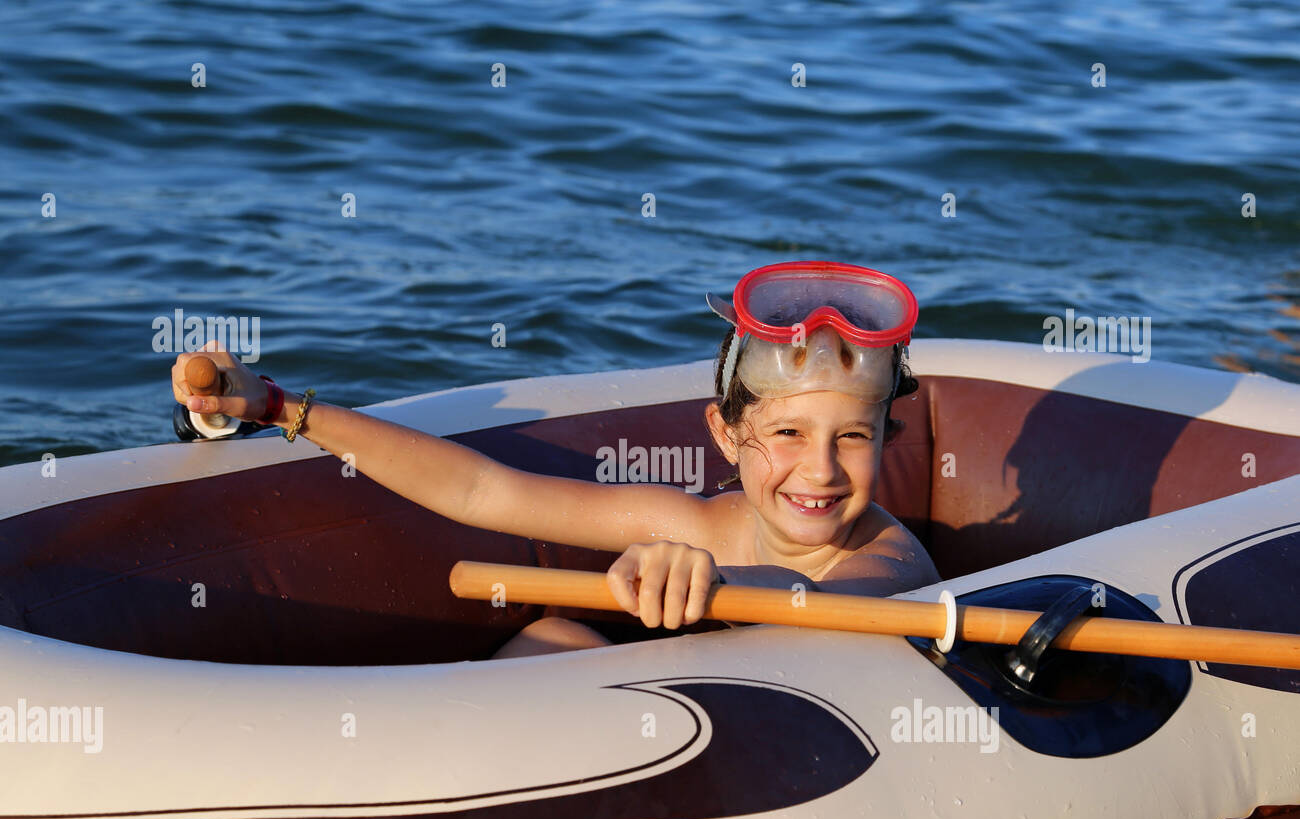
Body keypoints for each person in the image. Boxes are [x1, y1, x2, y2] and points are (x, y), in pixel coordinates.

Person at [171, 261, 940, 658]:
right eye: (788, 435)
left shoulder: (887, 559)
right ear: (725, 435)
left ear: (883, 442)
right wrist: (279, 409)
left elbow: (814, 600)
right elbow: (482, 491)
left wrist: (715, 581)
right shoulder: (697, 523)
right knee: (555, 640)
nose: (821, 470)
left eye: (851, 436)